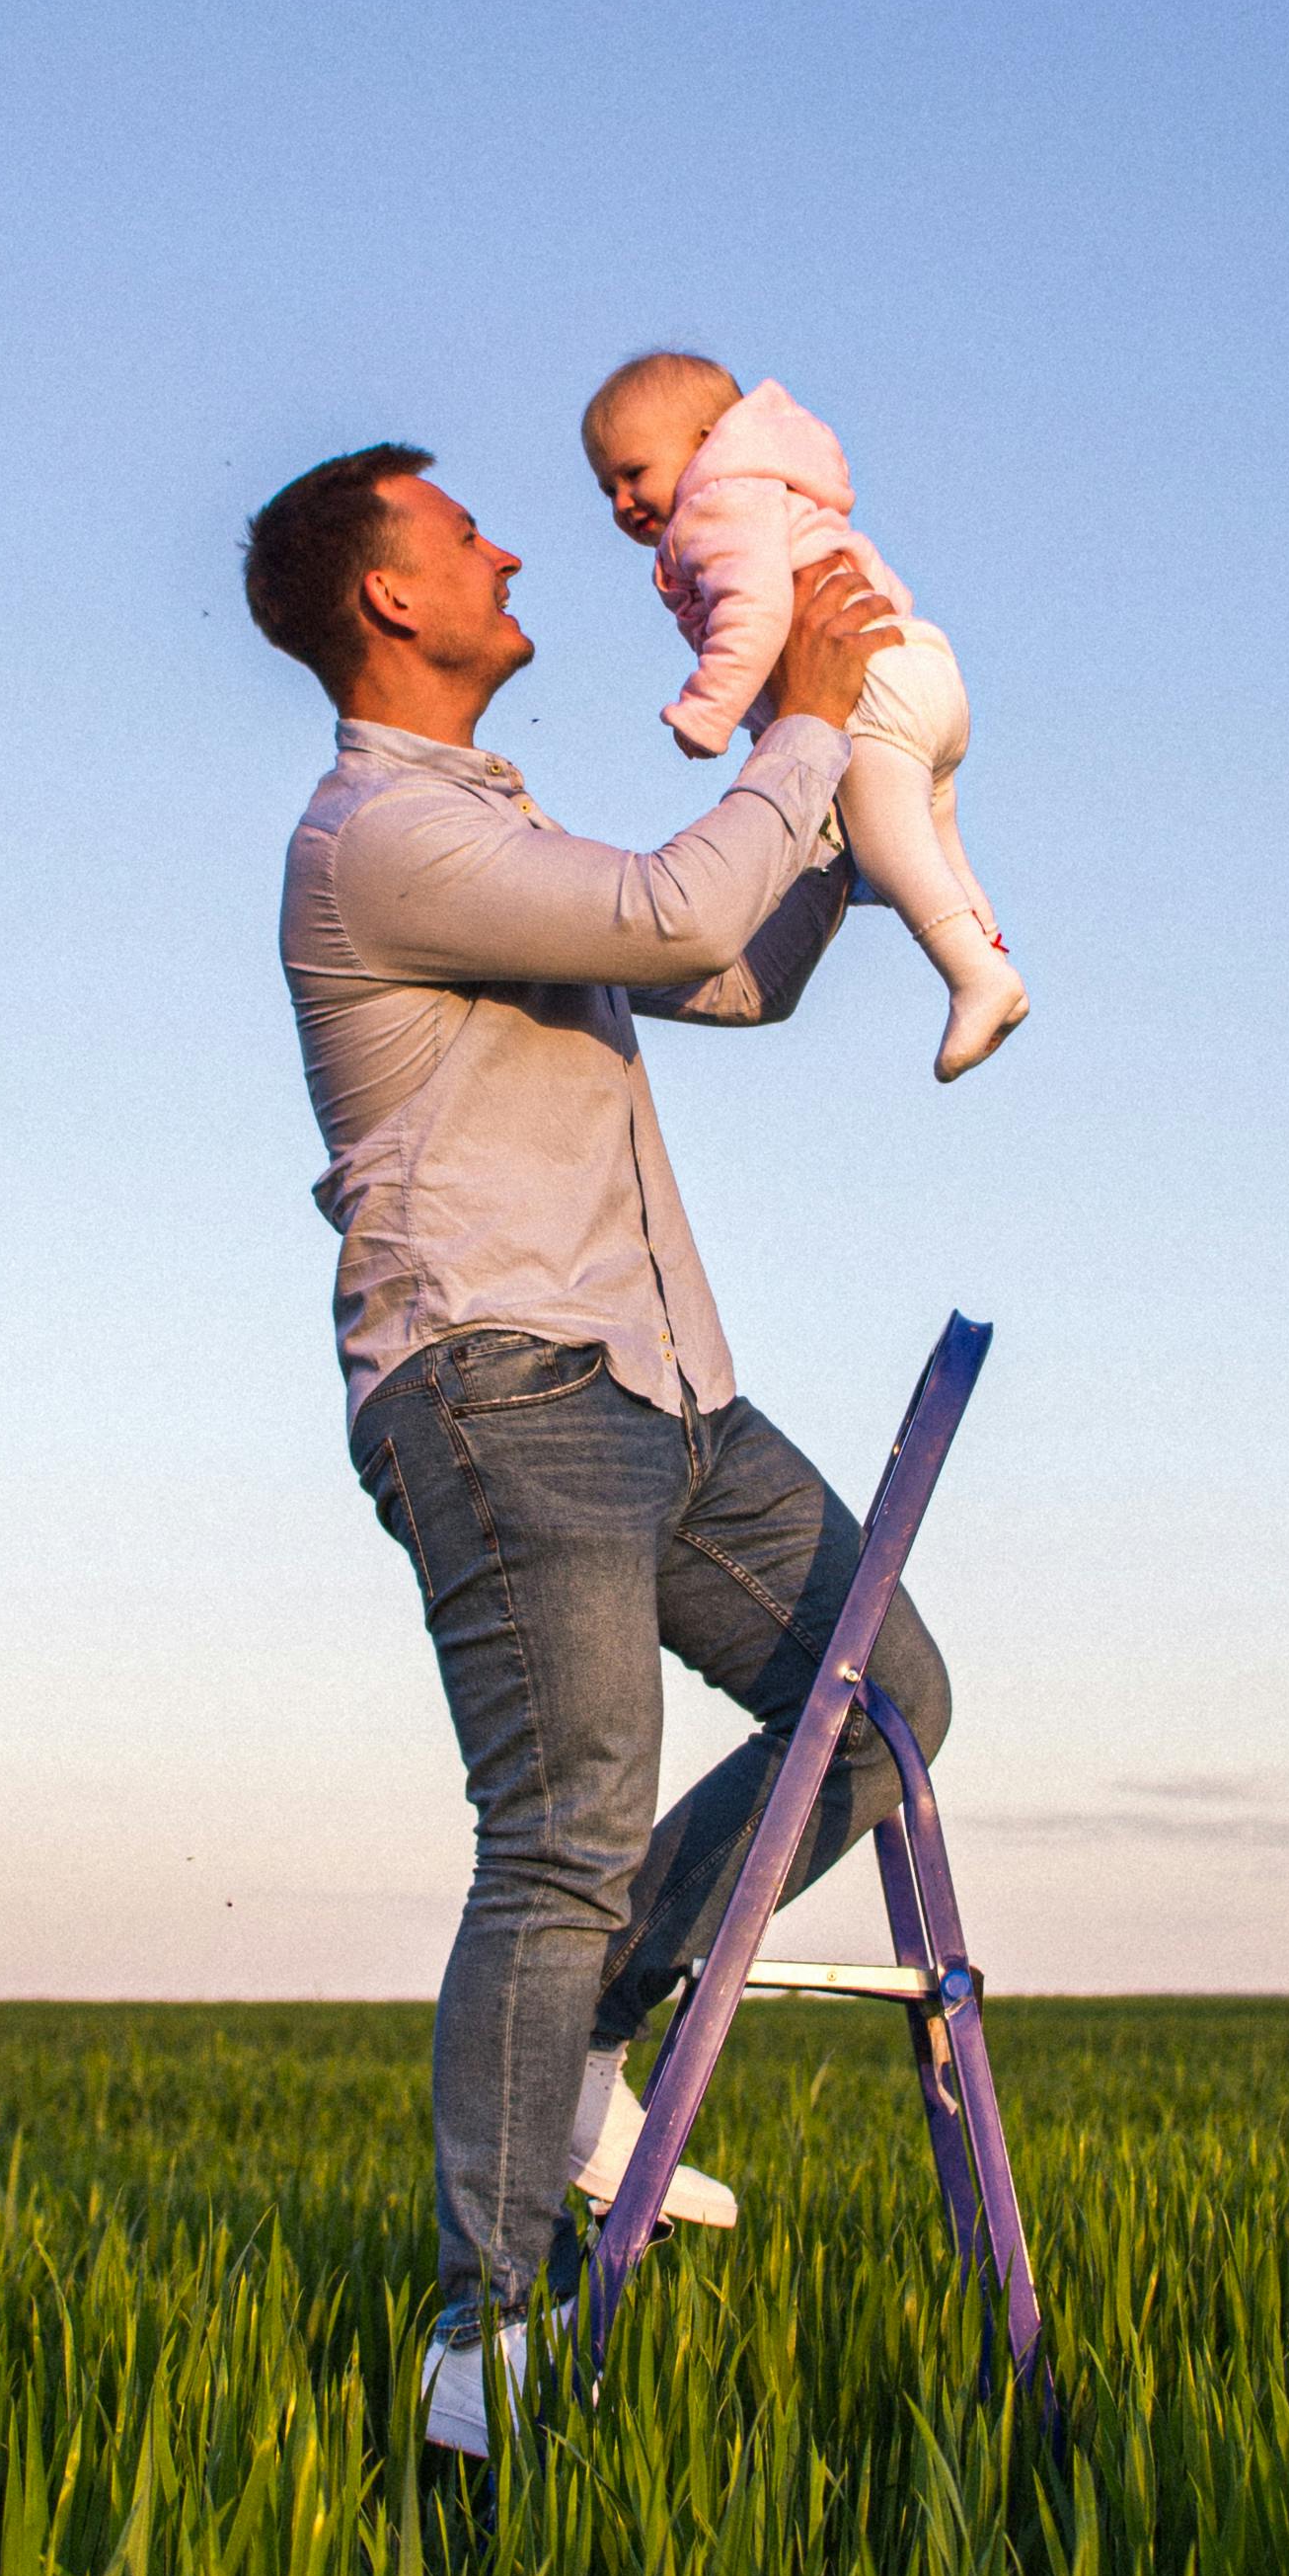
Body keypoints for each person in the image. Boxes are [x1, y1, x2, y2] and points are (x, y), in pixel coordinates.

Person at [247, 437, 954, 2458]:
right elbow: (666, 907)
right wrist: (799, 717)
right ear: (388, 599)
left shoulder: (491, 821)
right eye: (460, 532)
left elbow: (720, 959)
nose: (503, 548)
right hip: (499, 1385)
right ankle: (477, 2358)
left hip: (662, 1386)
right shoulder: (369, 834)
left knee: (880, 1697)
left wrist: (870, 787)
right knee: (554, 1836)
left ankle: (583, 2051)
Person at [582, 351, 1028, 1080]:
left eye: (633, 473)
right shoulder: (776, 492)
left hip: (869, 692)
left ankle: (976, 978)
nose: (623, 503)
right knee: (938, 845)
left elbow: (754, 612)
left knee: (890, 849)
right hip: (920, 670)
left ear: (702, 442)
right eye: (606, 489)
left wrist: (708, 710)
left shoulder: (715, 506)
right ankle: (989, 954)